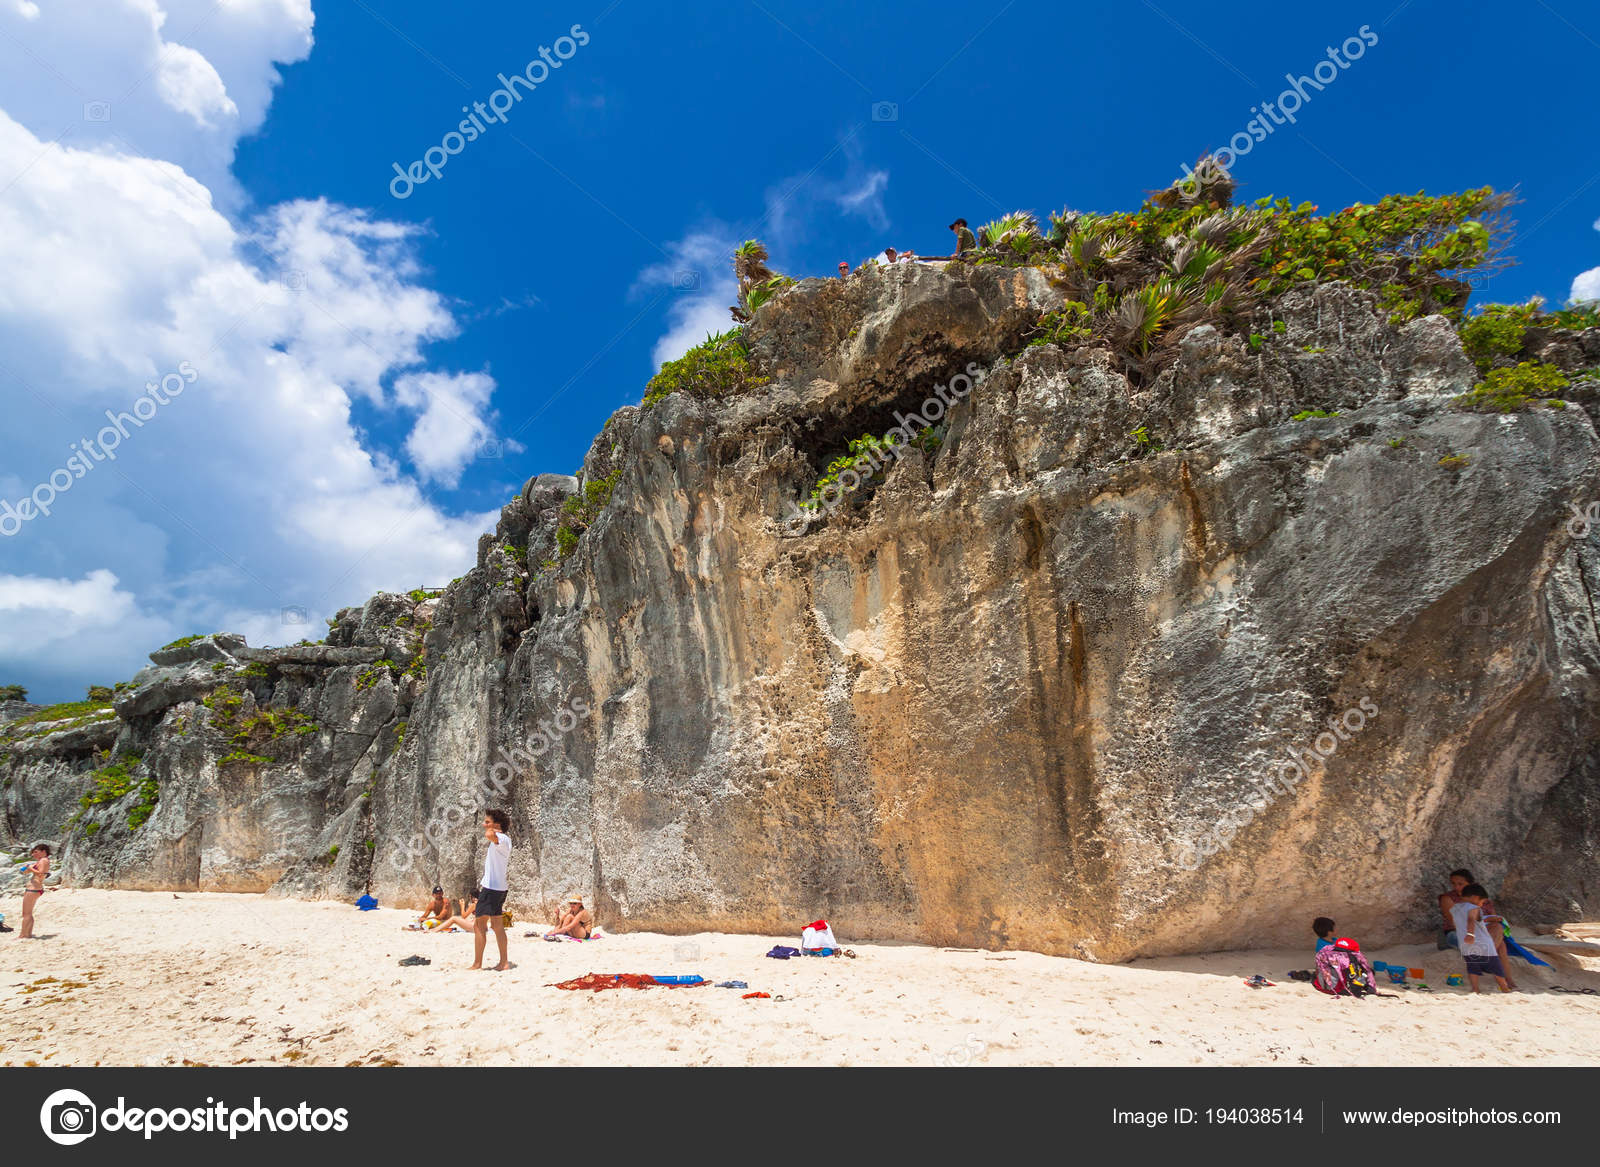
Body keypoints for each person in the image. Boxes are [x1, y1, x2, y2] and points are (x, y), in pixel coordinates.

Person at [1438, 867, 1516, 987]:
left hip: (1479, 933)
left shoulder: (1482, 899)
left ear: (1471, 885)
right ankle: (1504, 977)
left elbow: (1489, 921)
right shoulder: (1448, 898)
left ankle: (1506, 977)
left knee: (1498, 929)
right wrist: (1485, 921)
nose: (1456, 887)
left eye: (1460, 884)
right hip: (1456, 933)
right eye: (1453, 884)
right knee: (1500, 944)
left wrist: (1492, 920)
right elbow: (1457, 923)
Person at [469, 811, 511, 971]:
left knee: (479, 925)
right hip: (498, 888)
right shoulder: (504, 840)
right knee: (496, 925)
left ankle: (477, 963)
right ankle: (504, 962)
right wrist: (492, 825)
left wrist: (492, 827)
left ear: (496, 825)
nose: (483, 824)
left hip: (492, 888)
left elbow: (489, 835)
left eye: (487, 822)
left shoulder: (502, 839)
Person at [1452, 883, 1514, 993]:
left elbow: (1459, 923)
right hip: (1484, 944)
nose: (1481, 905)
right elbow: (1471, 919)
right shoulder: (1474, 907)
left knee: (1472, 969)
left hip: (1466, 945)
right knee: (1496, 968)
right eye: (1482, 902)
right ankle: (1504, 988)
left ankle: (1475, 989)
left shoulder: (1455, 908)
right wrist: (1471, 934)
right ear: (1475, 898)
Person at [18, 843, 48, 939]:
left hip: (34, 889)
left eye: (36, 852)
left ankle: (23, 935)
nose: (33, 854)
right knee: (28, 913)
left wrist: (31, 868)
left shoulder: (43, 860)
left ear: (43, 852)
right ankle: (27, 934)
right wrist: (27, 869)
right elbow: (27, 872)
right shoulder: (40, 861)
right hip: (34, 889)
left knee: (26, 914)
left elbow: (41, 874)